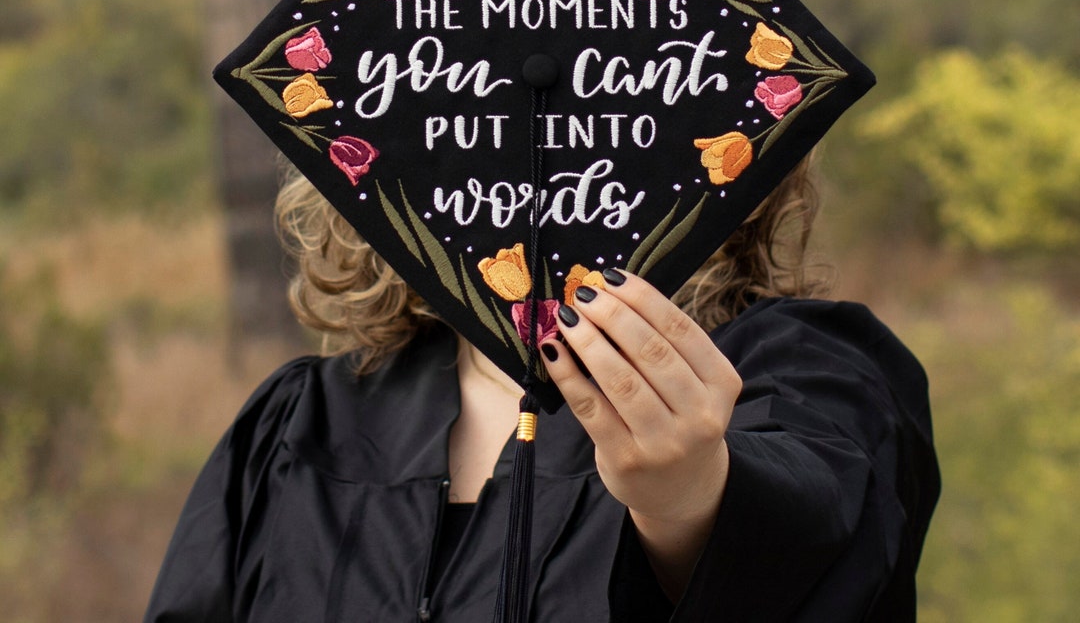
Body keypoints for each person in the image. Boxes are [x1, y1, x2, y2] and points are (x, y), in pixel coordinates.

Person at [144, 155, 939, 622]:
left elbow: (825, 537)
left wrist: (693, 499)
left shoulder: (792, 371)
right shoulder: (300, 425)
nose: (535, 150)